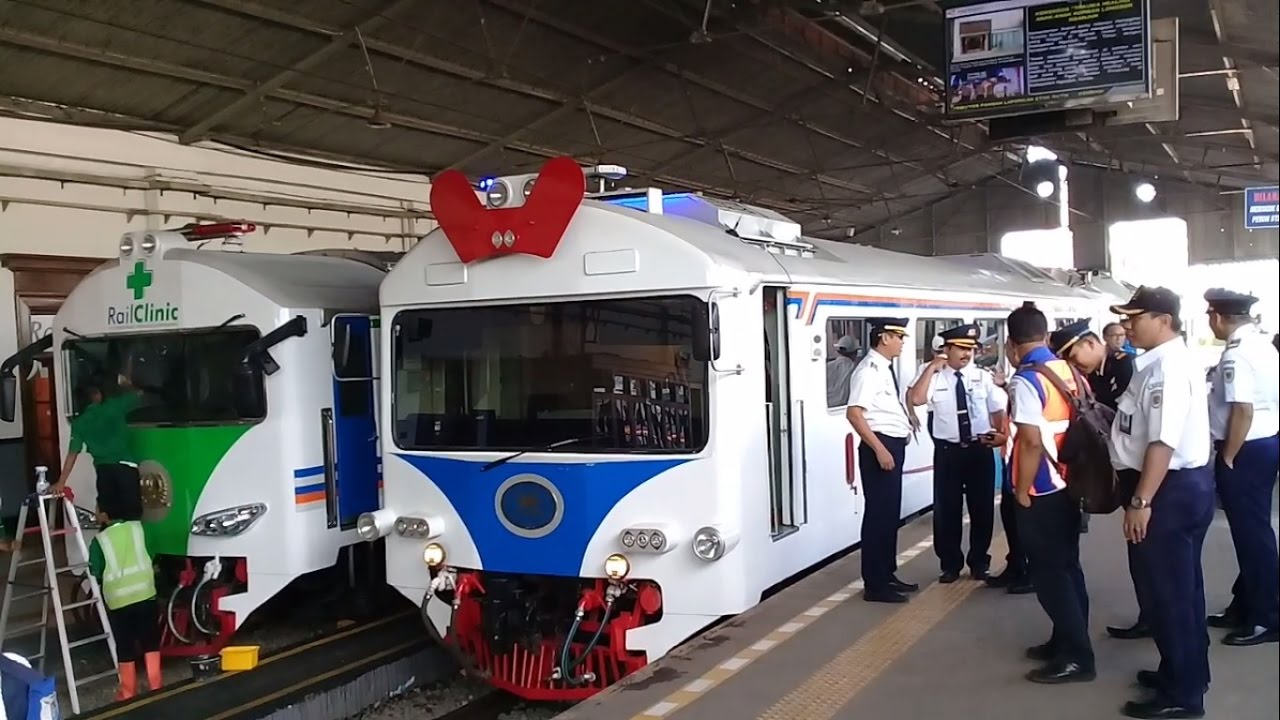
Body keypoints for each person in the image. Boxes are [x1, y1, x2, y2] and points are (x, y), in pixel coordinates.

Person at [1109, 286, 1213, 719]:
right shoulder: (1160, 362)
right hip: (1177, 487)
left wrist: (1141, 500)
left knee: (1167, 594)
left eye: (1136, 318)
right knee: (1183, 589)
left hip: (1165, 490)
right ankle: (1186, 671)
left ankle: (1182, 696)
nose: (1128, 325)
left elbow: (1162, 442)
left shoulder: (1167, 369)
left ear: (1164, 320)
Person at [1005, 302, 1094, 684]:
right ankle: (1065, 640)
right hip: (1071, 482)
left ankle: (1077, 658)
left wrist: (1022, 492)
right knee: (1068, 568)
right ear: (1043, 335)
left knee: (1050, 576)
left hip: (1042, 488)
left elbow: (1029, 443)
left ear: (1012, 344)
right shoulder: (1068, 370)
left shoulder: (1026, 379)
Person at [1049, 319, 1148, 640]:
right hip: (1116, 467)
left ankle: (1157, 617)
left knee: (1150, 551)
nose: (1073, 363)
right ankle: (1151, 614)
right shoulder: (1088, 373)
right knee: (1139, 550)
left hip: (1141, 471)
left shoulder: (1127, 367)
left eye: (1074, 354)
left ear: (1090, 343)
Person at [1203, 288, 1279, 647]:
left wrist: (1228, 457)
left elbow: (1242, 410)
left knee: (1253, 537)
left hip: (1246, 450)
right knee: (1253, 532)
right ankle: (1245, 603)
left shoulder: (1235, 355)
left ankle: (1267, 617)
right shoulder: (1263, 345)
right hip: (1265, 445)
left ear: (1218, 318)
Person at [908, 323, 1007, 583]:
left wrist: (1001, 434)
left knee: (982, 509)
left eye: (970, 349)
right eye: (961, 349)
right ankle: (950, 564)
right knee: (947, 510)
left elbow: (997, 408)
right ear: (946, 350)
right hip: (948, 452)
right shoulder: (932, 375)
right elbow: (917, 399)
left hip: (979, 450)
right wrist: (931, 368)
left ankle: (979, 562)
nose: (966, 354)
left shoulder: (982, 376)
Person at [846, 317, 919, 604]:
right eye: (899, 337)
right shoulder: (869, 371)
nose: (902, 342)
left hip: (891, 444)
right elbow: (854, 413)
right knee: (879, 515)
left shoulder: (884, 369)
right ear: (885, 338)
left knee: (890, 515)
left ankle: (887, 574)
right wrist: (879, 448)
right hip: (880, 446)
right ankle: (875, 584)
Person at [89, 497, 162, 700]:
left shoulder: (100, 541)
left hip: (119, 603)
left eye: (97, 509)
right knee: (150, 642)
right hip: (146, 596)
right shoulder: (140, 529)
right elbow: (153, 552)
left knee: (125, 646)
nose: (95, 514)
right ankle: (156, 686)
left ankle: (128, 691)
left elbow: (95, 570)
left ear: (105, 514)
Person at [51, 373, 143, 521]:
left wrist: (61, 482)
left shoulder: (79, 423)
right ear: (97, 395)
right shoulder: (114, 406)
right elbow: (139, 394)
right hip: (125, 467)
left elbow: (72, 453)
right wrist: (127, 383)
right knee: (132, 515)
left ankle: (109, 542)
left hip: (103, 471)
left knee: (107, 515)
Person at [826, 335, 860, 408]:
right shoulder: (856, 370)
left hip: (827, 408)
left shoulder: (826, 367)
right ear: (855, 352)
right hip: (843, 410)